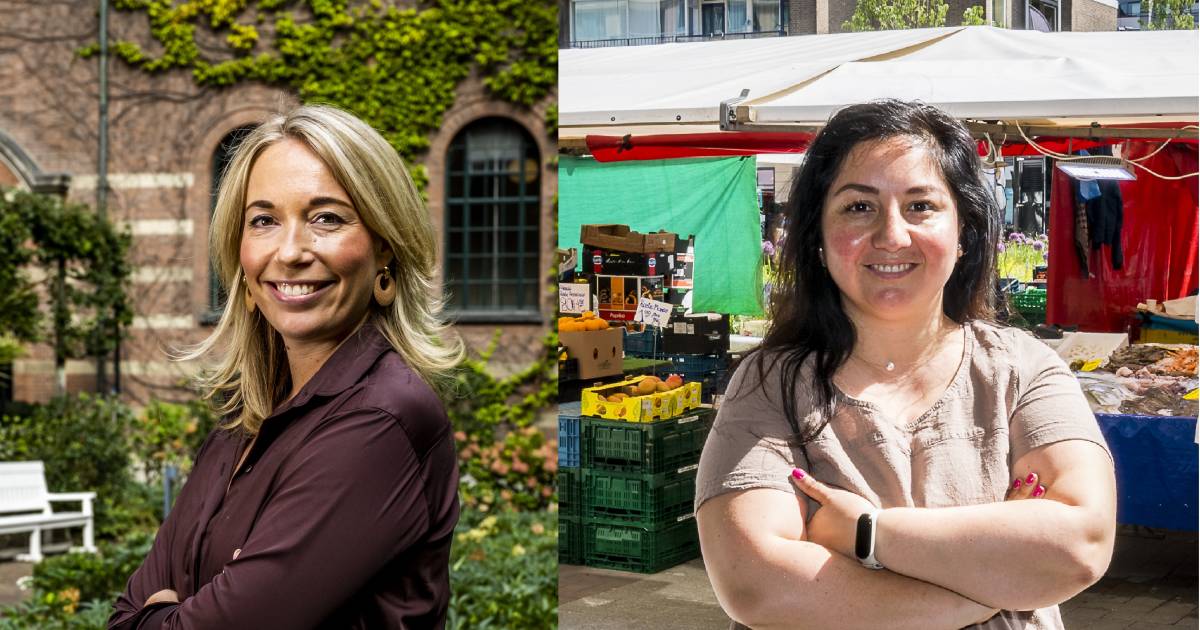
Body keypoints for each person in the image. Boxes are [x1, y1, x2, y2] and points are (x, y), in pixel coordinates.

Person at [695, 100, 1115, 630]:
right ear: (818, 239)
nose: (892, 235)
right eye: (858, 207)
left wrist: (865, 534)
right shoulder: (770, 386)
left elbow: (1080, 546)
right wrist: (978, 592)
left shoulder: (1023, 370)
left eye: (920, 205)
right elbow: (757, 584)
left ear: (964, 232)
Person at [108, 104, 464, 629]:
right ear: (241, 257)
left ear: (384, 249)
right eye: (264, 220)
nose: (290, 251)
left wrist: (162, 614)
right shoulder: (248, 419)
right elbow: (122, 614)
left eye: (326, 218)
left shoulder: (379, 419)